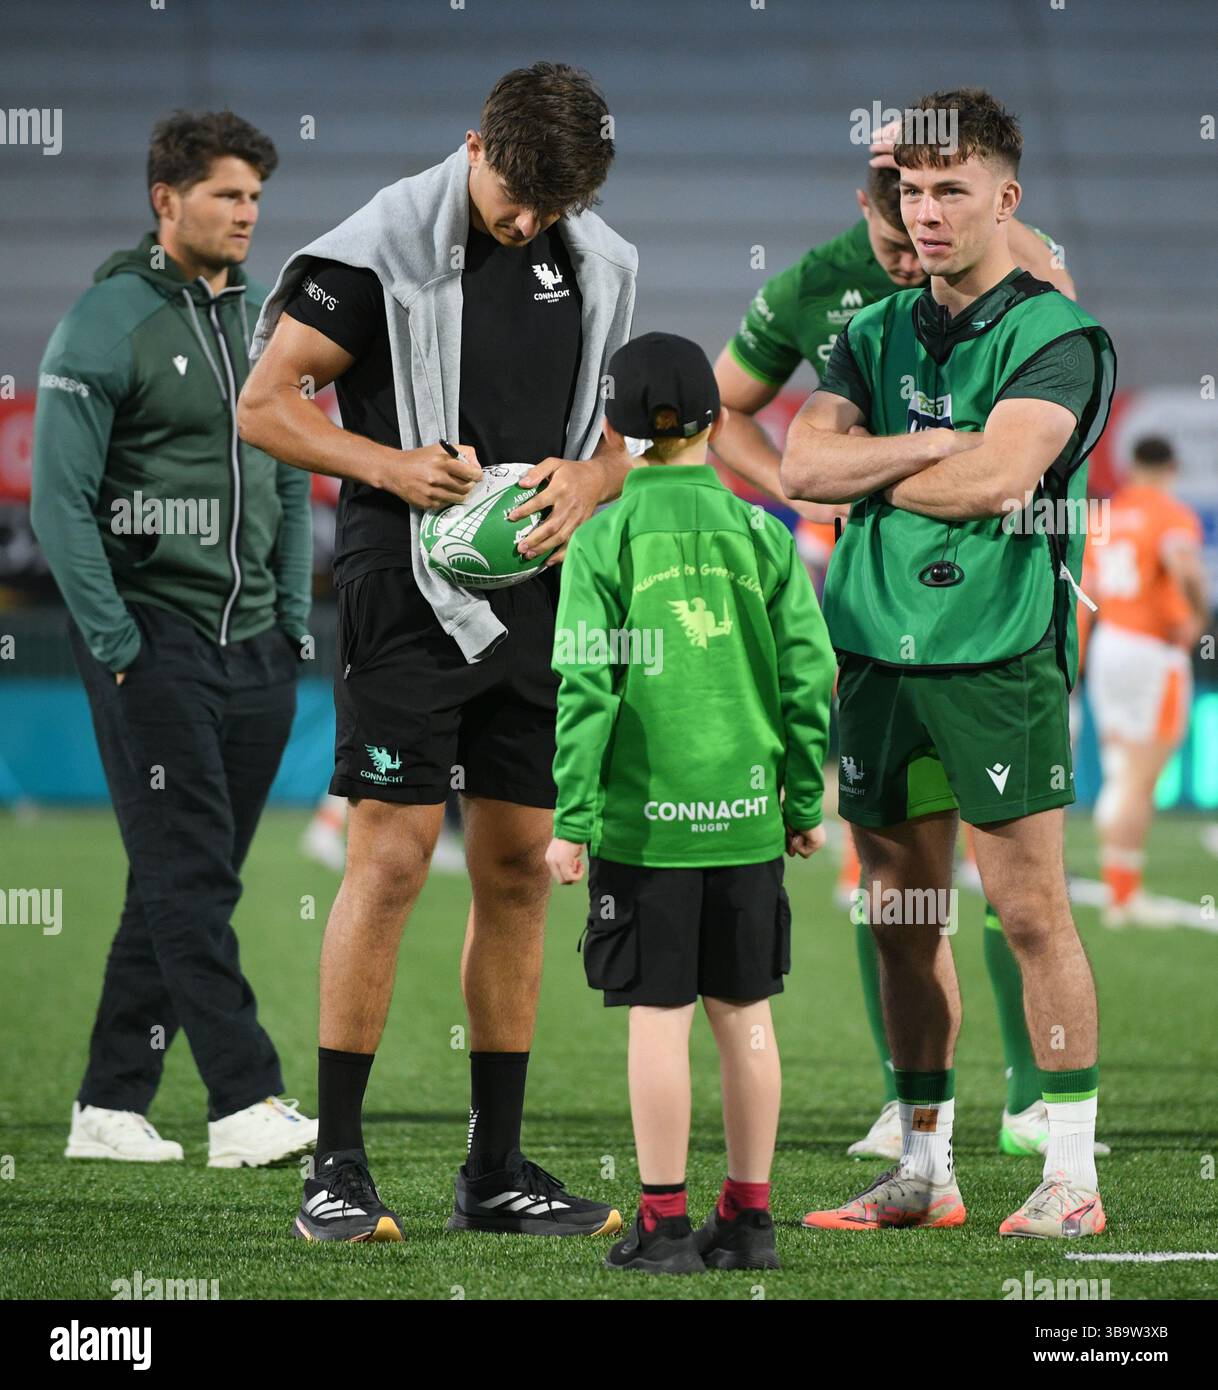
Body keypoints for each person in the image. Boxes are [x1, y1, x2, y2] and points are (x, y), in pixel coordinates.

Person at [239, 62, 637, 1242]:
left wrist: (594, 478)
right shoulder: (372, 251)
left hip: (534, 590)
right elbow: (263, 405)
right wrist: (390, 468)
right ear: (475, 144)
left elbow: (618, 441)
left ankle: (494, 1170)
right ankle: (338, 1164)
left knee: (518, 869)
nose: (528, 224)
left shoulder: (595, 258)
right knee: (395, 860)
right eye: (516, 199)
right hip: (400, 585)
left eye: (550, 210)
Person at [782, 89, 1116, 1238]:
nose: (924, 212)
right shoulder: (871, 331)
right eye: (909, 191)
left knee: (1029, 914)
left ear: (1005, 199)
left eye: (951, 190)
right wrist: (931, 442)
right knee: (901, 912)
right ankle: (924, 1167)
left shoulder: (1055, 335)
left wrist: (870, 465)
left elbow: (1000, 482)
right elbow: (795, 469)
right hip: (874, 656)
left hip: (998, 656)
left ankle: (1070, 1175)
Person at [712, 134, 1081, 1163]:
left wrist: (851, 473)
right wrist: (815, 482)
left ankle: (1035, 1100)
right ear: (868, 211)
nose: (914, 242)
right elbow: (736, 417)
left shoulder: (1028, 287)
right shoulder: (825, 297)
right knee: (899, 894)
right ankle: (914, 1124)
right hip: (878, 622)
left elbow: (1011, 453)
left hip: (1000, 618)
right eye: (898, 218)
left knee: (1023, 892)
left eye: (940, 202)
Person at [31, 110, 317, 1168]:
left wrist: (289, 623)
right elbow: (60, 508)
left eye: (254, 198)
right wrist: (116, 640)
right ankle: (245, 1102)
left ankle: (110, 1104)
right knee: (190, 875)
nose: (247, 214)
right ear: (167, 201)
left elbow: (289, 472)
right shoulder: (104, 324)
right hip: (154, 639)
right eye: (227, 196)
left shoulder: (262, 324)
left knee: (182, 879)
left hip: (253, 649)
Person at [546, 333, 836, 1273]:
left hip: (644, 826)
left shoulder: (604, 536)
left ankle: (665, 1224)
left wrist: (574, 821)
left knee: (658, 1019)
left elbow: (586, 687)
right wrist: (800, 799)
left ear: (613, 428)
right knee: (746, 1015)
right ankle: (750, 1222)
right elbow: (809, 672)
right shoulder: (763, 533)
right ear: (717, 421)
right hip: (747, 816)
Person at [1085, 435, 1209, 926]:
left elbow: (1086, 591)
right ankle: (1124, 896)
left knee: (1122, 770)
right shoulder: (1170, 513)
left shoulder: (1103, 517)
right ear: (1170, 467)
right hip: (1153, 650)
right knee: (1141, 776)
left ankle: (1117, 886)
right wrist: (1198, 615)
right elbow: (1185, 568)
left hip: (1109, 642)